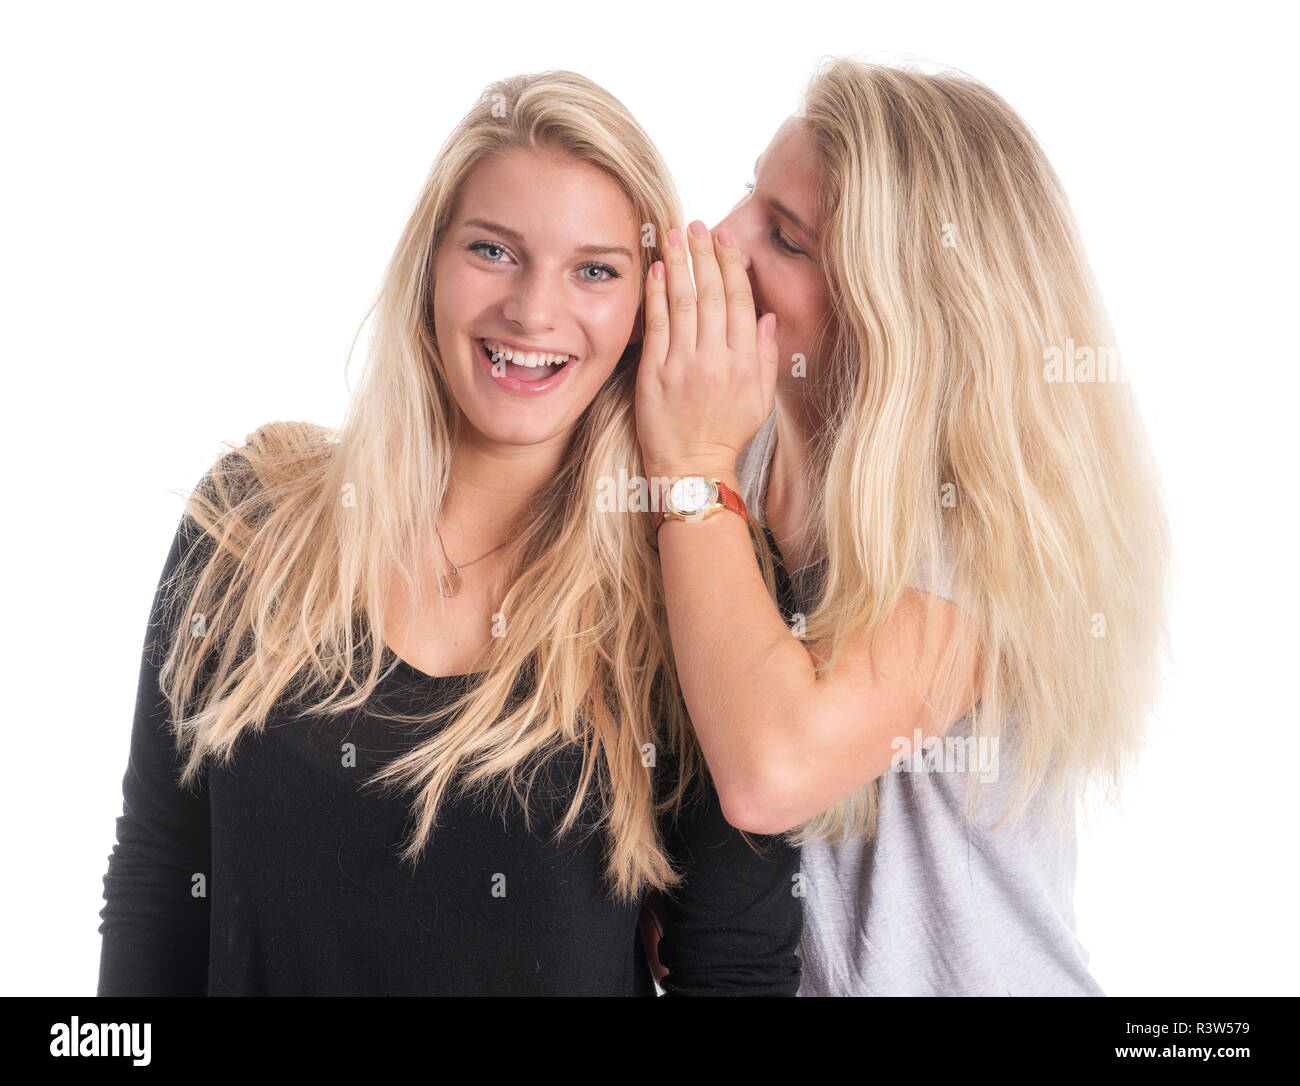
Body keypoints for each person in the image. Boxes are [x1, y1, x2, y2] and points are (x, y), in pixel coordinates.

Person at [97, 70, 802, 997]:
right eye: (493, 250)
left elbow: (737, 970)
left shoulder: (696, 585)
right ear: (430, 262)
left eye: (595, 270)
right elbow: (160, 878)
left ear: (647, 311)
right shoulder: (248, 519)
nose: (534, 311)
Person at [634, 58, 1169, 995]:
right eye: (750, 195)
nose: (721, 237)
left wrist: (688, 470)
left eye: (786, 238)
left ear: (902, 315)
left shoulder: (972, 528)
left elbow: (771, 771)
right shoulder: (743, 446)